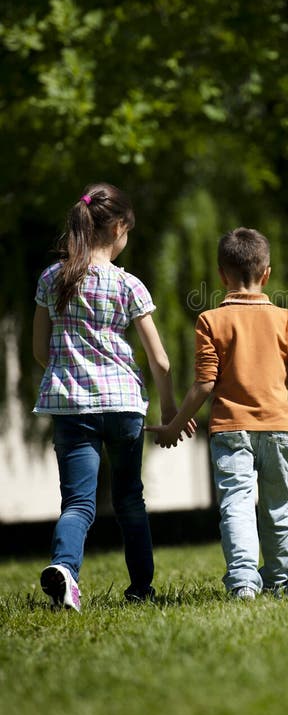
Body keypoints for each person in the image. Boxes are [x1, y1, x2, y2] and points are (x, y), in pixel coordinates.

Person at [146, 227, 288, 600]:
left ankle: (243, 581)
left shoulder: (210, 321)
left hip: (230, 431)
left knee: (237, 507)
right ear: (267, 274)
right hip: (278, 430)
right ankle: (278, 580)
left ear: (221, 274)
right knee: (277, 510)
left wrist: (174, 425)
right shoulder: (285, 319)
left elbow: (204, 385)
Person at [33, 182, 191, 612]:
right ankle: (141, 588)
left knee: (78, 503)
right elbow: (160, 360)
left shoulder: (52, 278)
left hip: (70, 405)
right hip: (123, 405)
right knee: (129, 500)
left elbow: (39, 349)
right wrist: (171, 410)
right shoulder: (128, 284)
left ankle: (65, 569)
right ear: (119, 227)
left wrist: (68, 368)